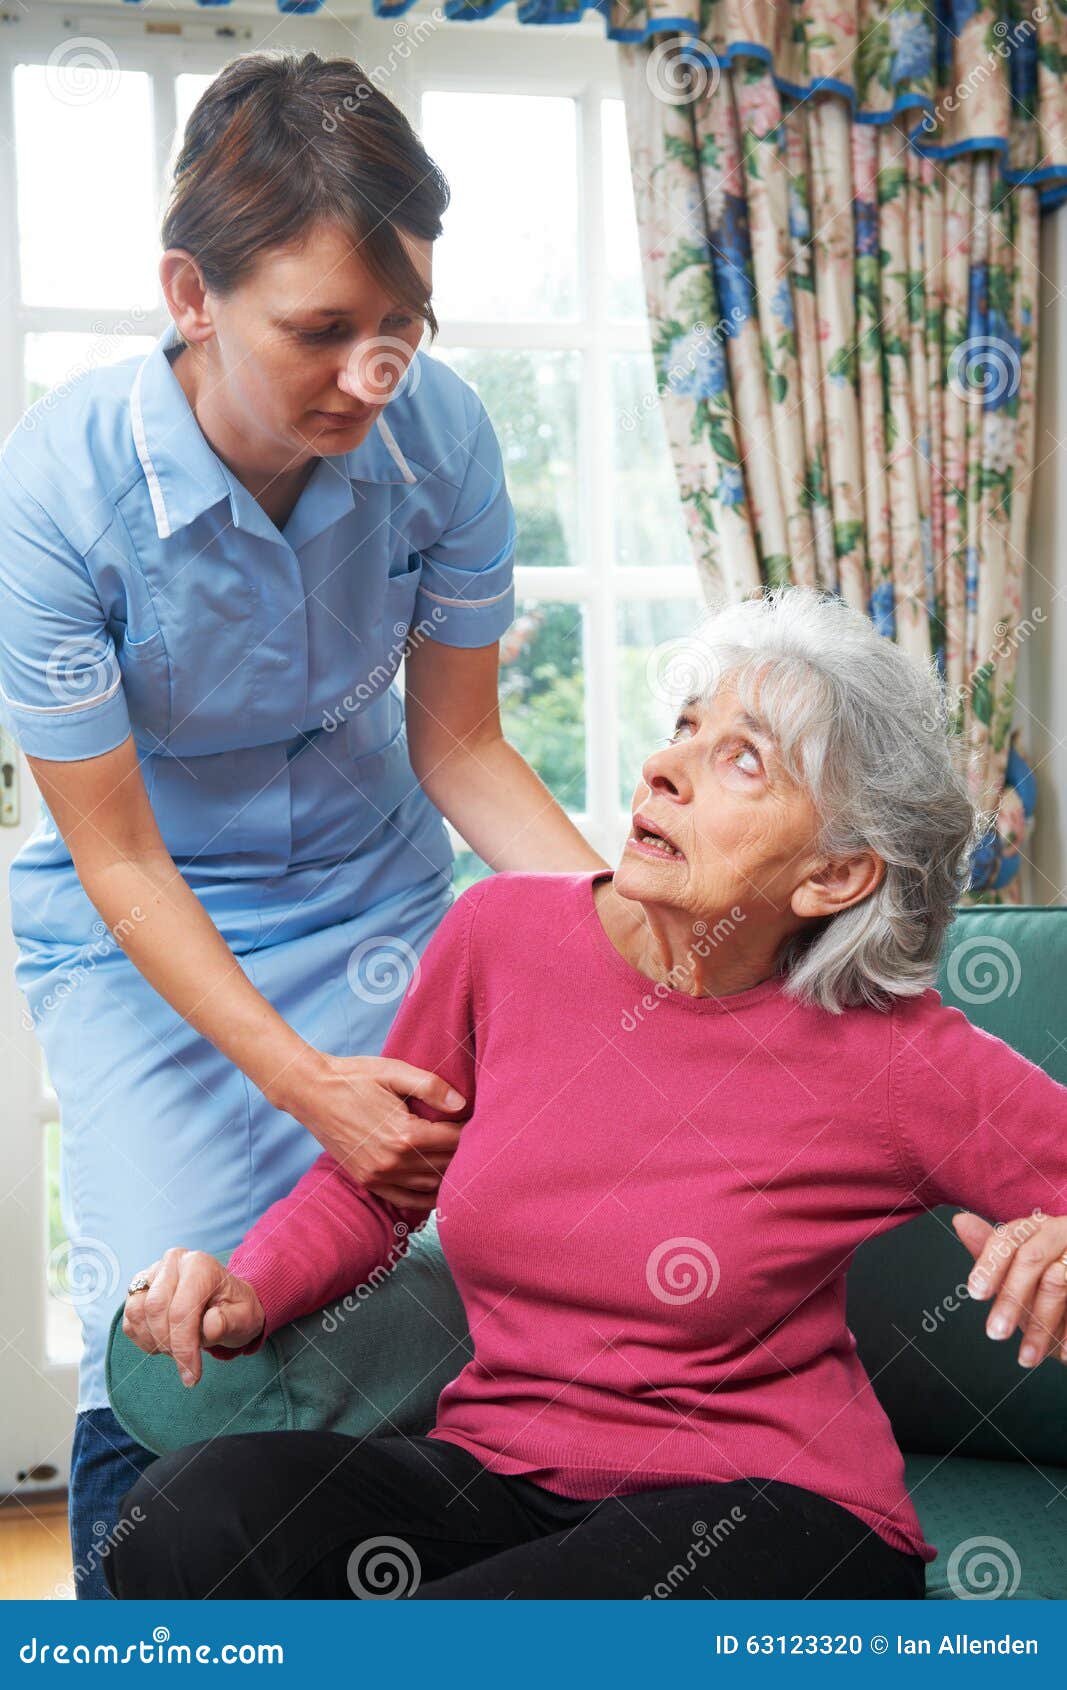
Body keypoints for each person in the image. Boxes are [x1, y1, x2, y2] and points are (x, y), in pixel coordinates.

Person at [108, 588, 1067, 1600]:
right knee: (180, 1524)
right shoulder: (499, 937)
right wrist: (248, 1288)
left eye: (741, 759)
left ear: (831, 877)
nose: (663, 767)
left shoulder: (895, 1057)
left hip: (771, 1516)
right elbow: (377, 1181)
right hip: (499, 1474)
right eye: (683, 729)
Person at [0, 50, 604, 1598]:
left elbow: (462, 749)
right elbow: (119, 849)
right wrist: (300, 1082)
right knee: (174, 1318)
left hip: (372, 893)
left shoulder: (441, 440)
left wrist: (646, 926)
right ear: (189, 294)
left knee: (395, 1277)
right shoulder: (55, 498)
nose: (373, 374)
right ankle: (139, 1625)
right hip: (147, 925)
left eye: (404, 329)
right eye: (322, 331)